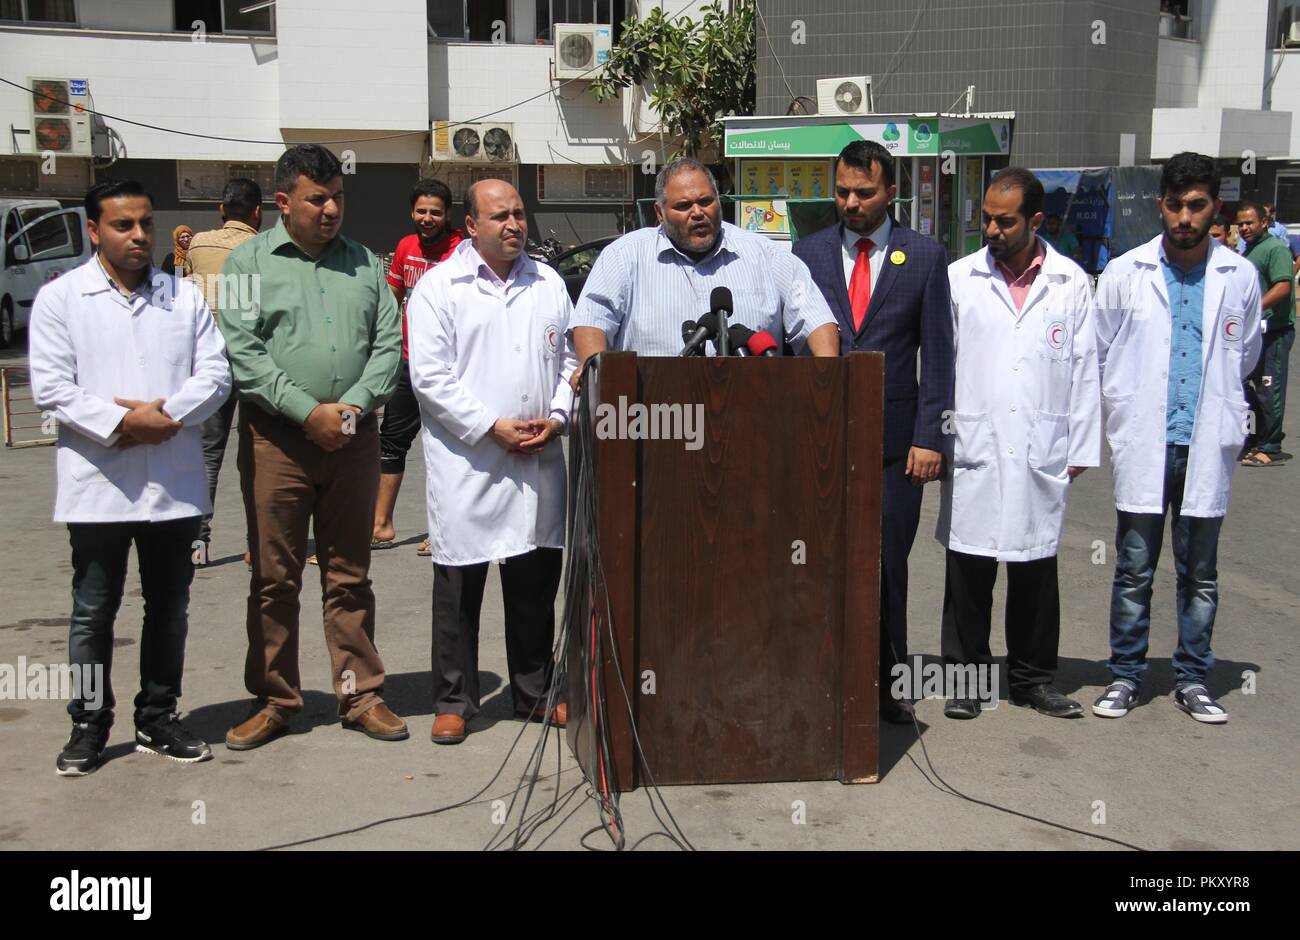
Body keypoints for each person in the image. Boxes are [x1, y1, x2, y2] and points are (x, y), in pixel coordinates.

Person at [28, 180, 231, 775]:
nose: (139, 235)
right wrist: (124, 422)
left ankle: (158, 717)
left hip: (172, 484)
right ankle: (89, 725)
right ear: (94, 231)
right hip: (99, 484)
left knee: (169, 607)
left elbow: (216, 374)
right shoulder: (62, 299)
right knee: (94, 610)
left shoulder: (184, 296)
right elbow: (52, 386)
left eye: (144, 223)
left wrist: (161, 418)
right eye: (123, 225)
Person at [216, 144, 406, 749]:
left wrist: (350, 408)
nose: (330, 210)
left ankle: (359, 694)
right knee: (275, 577)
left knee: (349, 574)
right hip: (278, 442)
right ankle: (275, 698)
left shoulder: (367, 264)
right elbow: (242, 353)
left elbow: (389, 342)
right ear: (283, 202)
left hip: (353, 440)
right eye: (317, 199)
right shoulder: (246, 265)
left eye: (338, 198)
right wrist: (307, 412)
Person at [1092, 152, 1261, 724]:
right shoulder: (1125, 272)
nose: (1185, 216)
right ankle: (1125, 675)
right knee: (1134, 566)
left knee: (1200, 572)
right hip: (1146, 439)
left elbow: (1247, 355)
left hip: (1205, 441)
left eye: (1197, 206)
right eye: (1175, 204)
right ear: (1161, 205)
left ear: (1217, 209)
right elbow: (1098, 351)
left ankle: (1193, 677)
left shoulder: (1239, 275)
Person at [408, 180, 576, 745]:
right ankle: (455, 699)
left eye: (519, 213)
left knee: (533, 583)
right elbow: (429, 378)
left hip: (538, 457)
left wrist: (557, 415)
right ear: (472, 225)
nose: (513, 224)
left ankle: (533, 691)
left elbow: (572, 360)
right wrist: (490, 426)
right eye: (499, 215)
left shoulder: (548, 281)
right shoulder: (438, 288)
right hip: (470, 462)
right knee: (459, 584)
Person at [793, 140, 954, 724]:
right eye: (842, 192)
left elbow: (938, 356)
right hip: (824, 442)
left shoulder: (925, 256)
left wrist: (930, 437)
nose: (851, 202)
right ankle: (822, 676)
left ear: (891, 192)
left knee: (886, 567)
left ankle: (886, 688)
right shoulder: (807, 252)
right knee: (818, 562)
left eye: (864, 192)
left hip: (895, 448)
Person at [938, 168, 1101, 720]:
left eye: (1004, 221)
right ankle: (966, 678)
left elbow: (1084, 367)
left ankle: (1033, 680)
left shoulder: (1071, 282)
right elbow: (941, 365)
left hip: (1041, 442)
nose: (991, 229)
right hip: (976, 439)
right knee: (970, 566)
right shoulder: (960, 279)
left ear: (1035, 220)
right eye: (986, 217)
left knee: (1034, 567)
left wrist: (1080, 444)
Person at [568, 156, 839, 371]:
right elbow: (591, 322)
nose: (697, 213)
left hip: (752, 420)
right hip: (656, 420)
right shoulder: (625, 256)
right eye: (684, 206)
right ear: (659, 213)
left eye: (706, 201)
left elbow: (816, 320)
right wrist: (599, 375)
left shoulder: (765, 255)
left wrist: (827, 378)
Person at [375, 178, 464, 556]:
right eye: (421, 211)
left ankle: (442, 529)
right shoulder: (405, 247)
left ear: (448, 216)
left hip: (450, 368)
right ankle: (380, 525)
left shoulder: (462, 251)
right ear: (412, 212)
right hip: (408, 361)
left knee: (446, 446)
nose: (427, 218)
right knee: (391, 442)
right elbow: (391, 296)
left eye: (435, 212)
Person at [186, 177, 263, 556]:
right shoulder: (262, 248)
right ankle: (257, 544)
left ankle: (198, 540)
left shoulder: (198, 244)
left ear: (221, 210)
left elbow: (189, 293)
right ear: (258, 213)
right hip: (251, 359)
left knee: (208, 453)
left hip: (208, 359)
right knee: (255, 457)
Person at [1237, 200, 1295, 467]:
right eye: (1241, 224)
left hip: (1275, 331)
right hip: (1253, 333)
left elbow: (1283, 286)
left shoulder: (1275, 249)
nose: (1244, 228)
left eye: (1249, 222)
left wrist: (1255, 309)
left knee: (1269, 388)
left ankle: (1271, 447)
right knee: (1250, 387)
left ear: (1264, 222)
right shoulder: (1250, 251)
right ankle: (1255, 438)